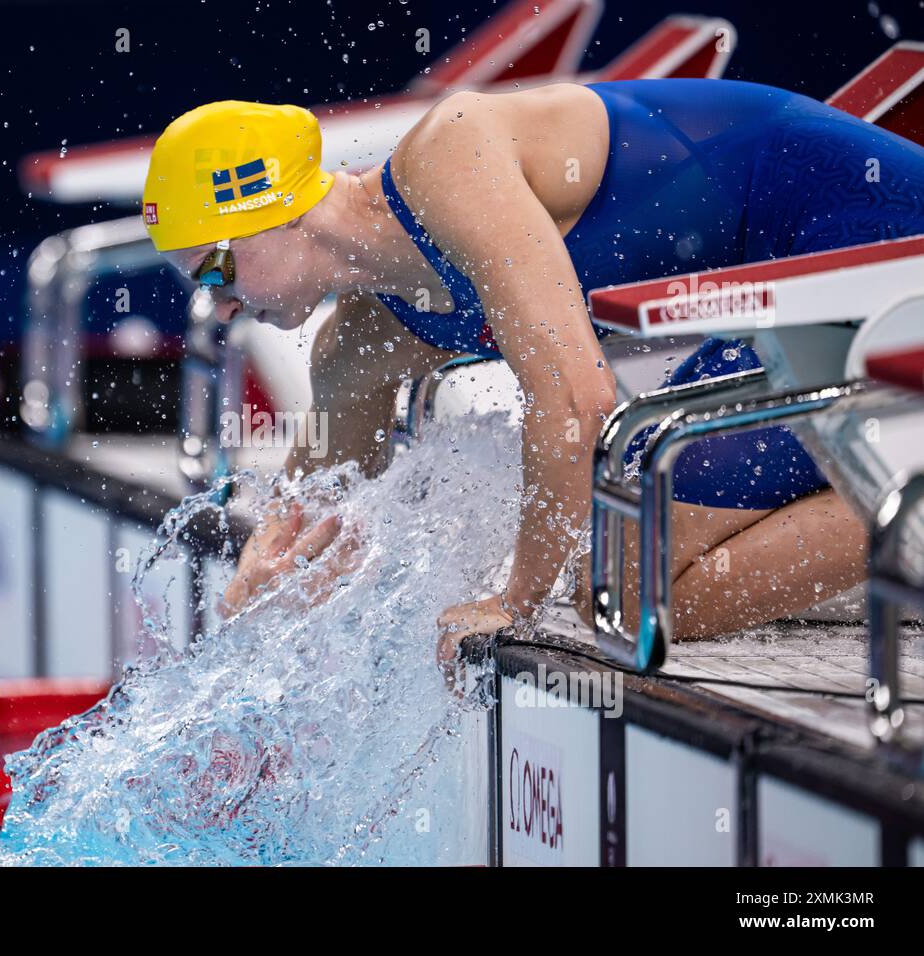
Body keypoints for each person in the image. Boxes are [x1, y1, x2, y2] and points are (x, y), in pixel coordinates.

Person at [138, 82, 924, 679]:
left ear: (273, 211)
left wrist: (513, 602)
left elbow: (580, 402)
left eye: (213, 266)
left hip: (870, 241)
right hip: (780, 295)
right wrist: (258, 583)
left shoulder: (448, 155)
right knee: (624, 580)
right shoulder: (359, 343)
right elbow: (314, 498)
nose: (217, 301)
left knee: (626, 582)